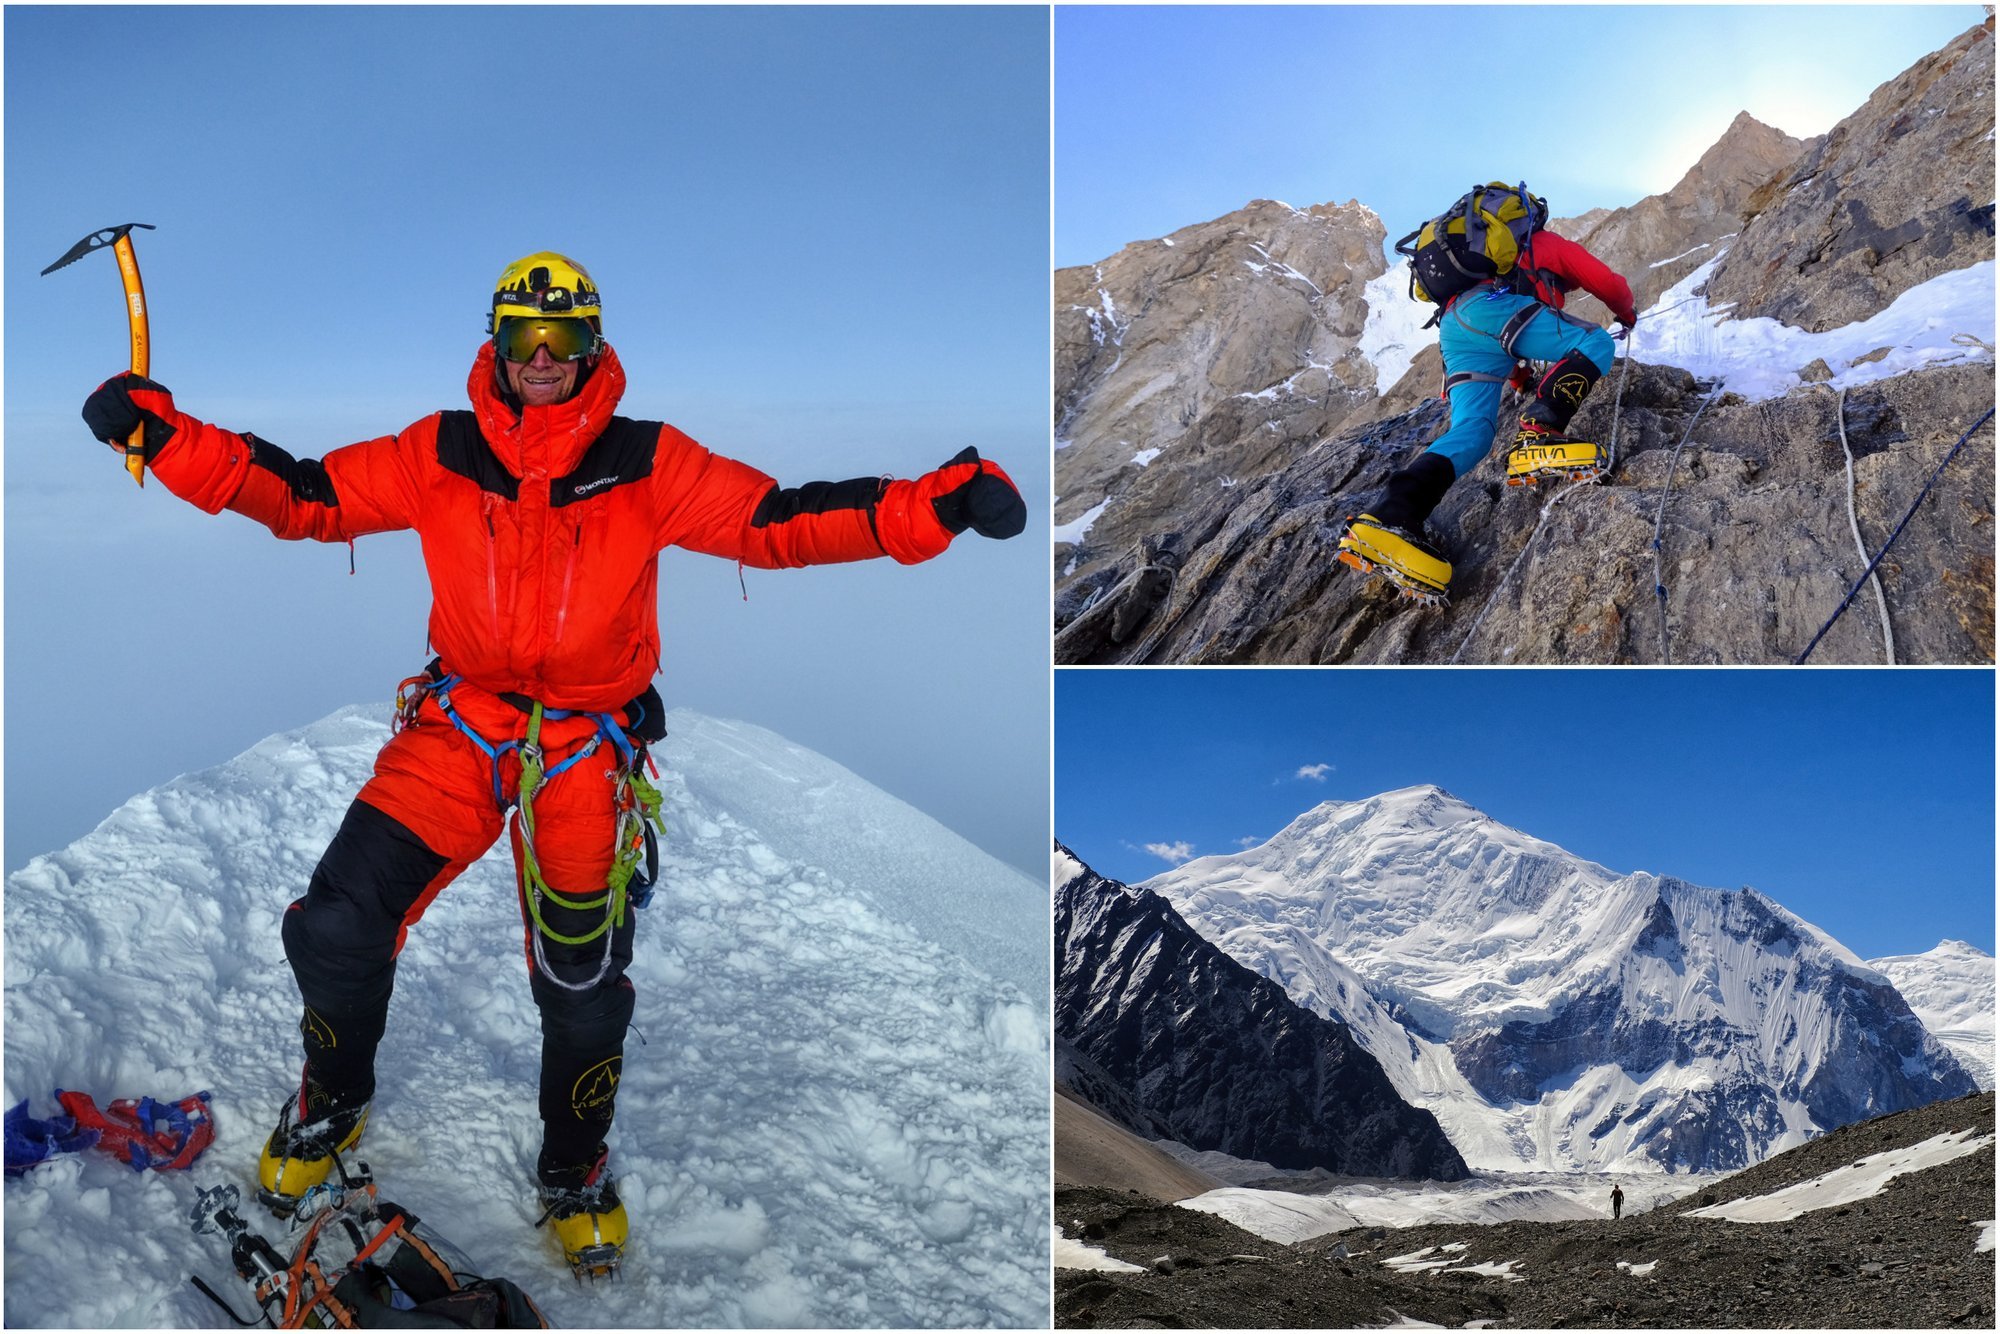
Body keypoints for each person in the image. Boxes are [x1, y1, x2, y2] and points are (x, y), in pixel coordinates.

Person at [79, 252, 1026, 1277]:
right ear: (493, 339)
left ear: (593, 346)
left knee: (581, 981)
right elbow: (304, 494)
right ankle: (332, 1102)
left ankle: (574, 1167)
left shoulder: (646, 461)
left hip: (585, 749)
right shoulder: (436, 451)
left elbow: (775, 523)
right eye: (524, 335)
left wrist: (934, 503)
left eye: (564, 337)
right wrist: (162, 435)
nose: (542, 357)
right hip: (462, 728)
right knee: (338, 923)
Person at [1339, 191, 1638, 600]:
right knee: (1595, 342)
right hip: (1492, 314)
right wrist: (1627, 314)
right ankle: (1537, 437)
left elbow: (1509, 346)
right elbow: (1606, 282)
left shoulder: (1493, 259)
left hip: (1457, 329)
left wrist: (1518, 382)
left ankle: (1386, 519)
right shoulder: (1544, 243)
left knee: (1474, 431)